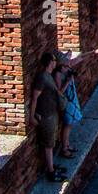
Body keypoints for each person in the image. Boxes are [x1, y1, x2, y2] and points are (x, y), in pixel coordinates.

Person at [53, 47, 98, 160]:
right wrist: (67, 82)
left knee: (70, 124)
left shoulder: (66, 67)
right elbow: (59, 92)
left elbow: (80, 57)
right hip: (66, 101)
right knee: (67, 124)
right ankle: (64, 148)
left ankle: (67, 145)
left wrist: (93, 52)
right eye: (66, 63)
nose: (68, 64)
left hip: (71, 99)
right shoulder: (57, 75)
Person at [29, 51, 67, 182]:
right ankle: (51, 171)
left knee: (52, 142)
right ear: (50, 62)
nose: (56, 62)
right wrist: (32, 117)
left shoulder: (48, 76)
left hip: (52, 114)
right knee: (49, 144)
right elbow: (34, 98)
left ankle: (51, 166)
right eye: (54, 60)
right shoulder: (42, 78)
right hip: (46, 116)